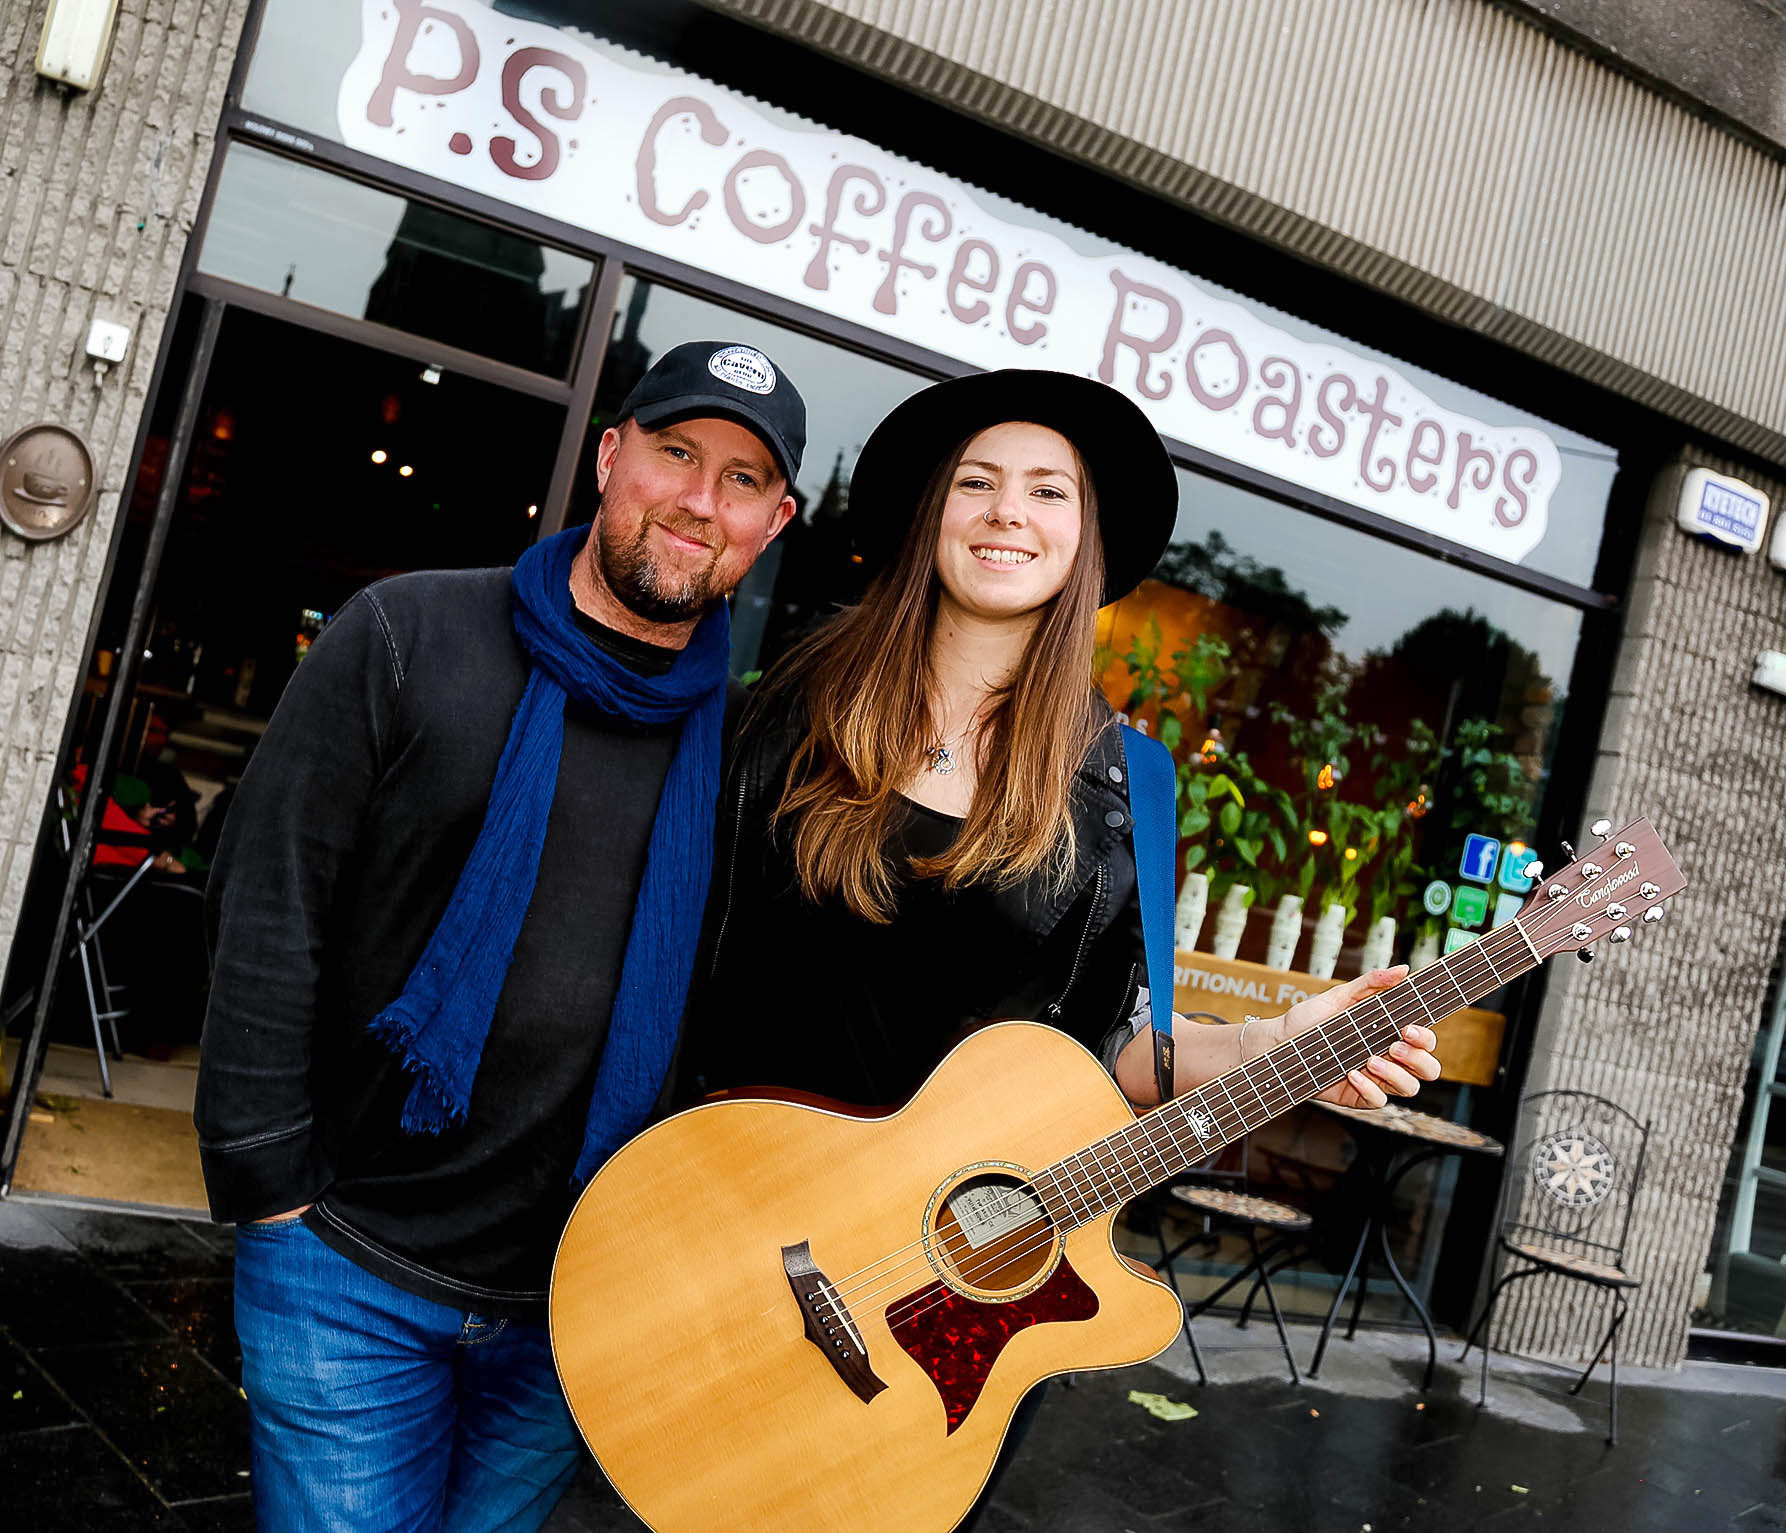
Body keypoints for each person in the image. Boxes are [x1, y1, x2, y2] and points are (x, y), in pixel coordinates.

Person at [683, 369, 1441, 1522]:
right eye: (977, 482)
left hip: (935, 1293)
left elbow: (1114, 1054)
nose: (1007, 513)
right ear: (931, 511)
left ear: (1083, 542)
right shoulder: (792, 696)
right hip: (718, 1231)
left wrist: (1281, 1042)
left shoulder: (1126, 782)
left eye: (1049, 492)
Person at [195, 340, 806, 1532]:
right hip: (346, 1265)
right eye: (677, 454)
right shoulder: (407, 636)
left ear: (771, 523)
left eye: (740, 480)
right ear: (608, 456)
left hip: (579, 1309)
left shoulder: (750, 755)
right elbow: (267, 903)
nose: (698, 499)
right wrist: (271, 1189)